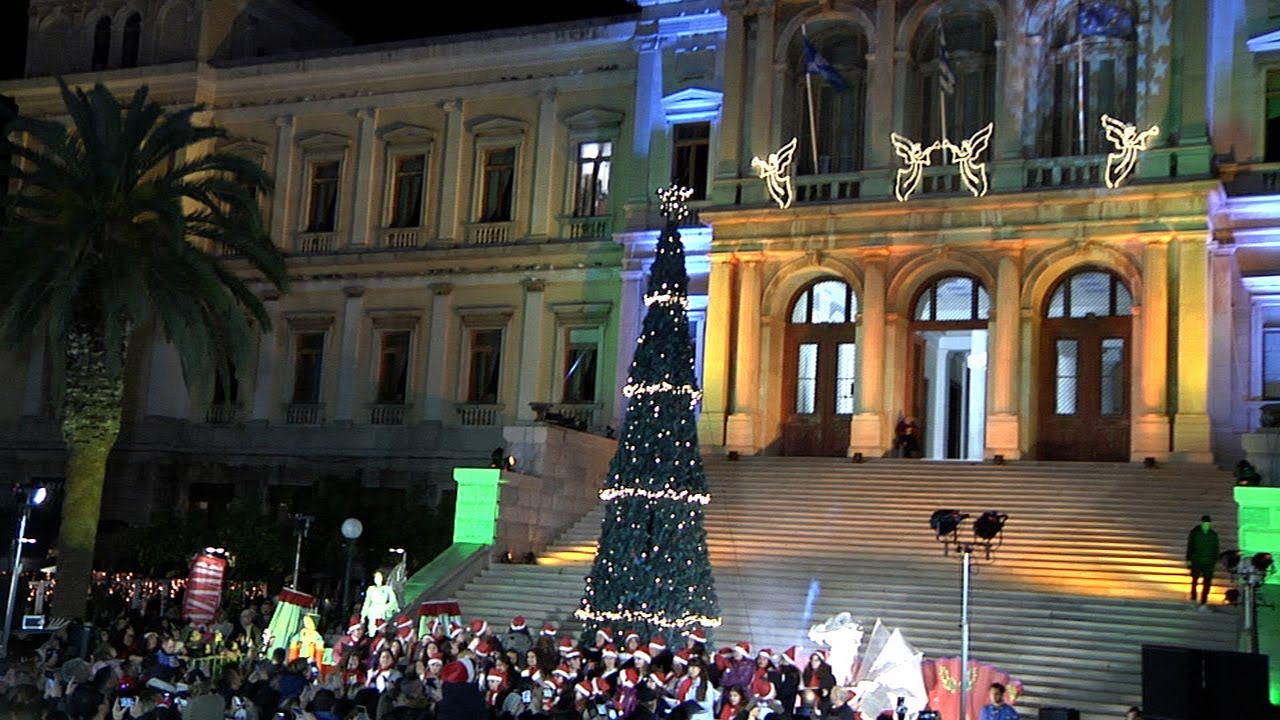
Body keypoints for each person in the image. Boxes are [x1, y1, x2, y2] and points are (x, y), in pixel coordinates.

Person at [1185, 514, 1220, 609]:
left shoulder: (1213, 535)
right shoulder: (1195, 533)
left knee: (1206, 583)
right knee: (1195, 581)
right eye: (1205, 524)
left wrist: (1214, 560)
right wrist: (1188, 559)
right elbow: (1190, 547)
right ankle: (1194, 598)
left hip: (1208, 562)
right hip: (1197, 560)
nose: (1206, 525)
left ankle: (1204, 601)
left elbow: (1216, 549)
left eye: (1208, 524)